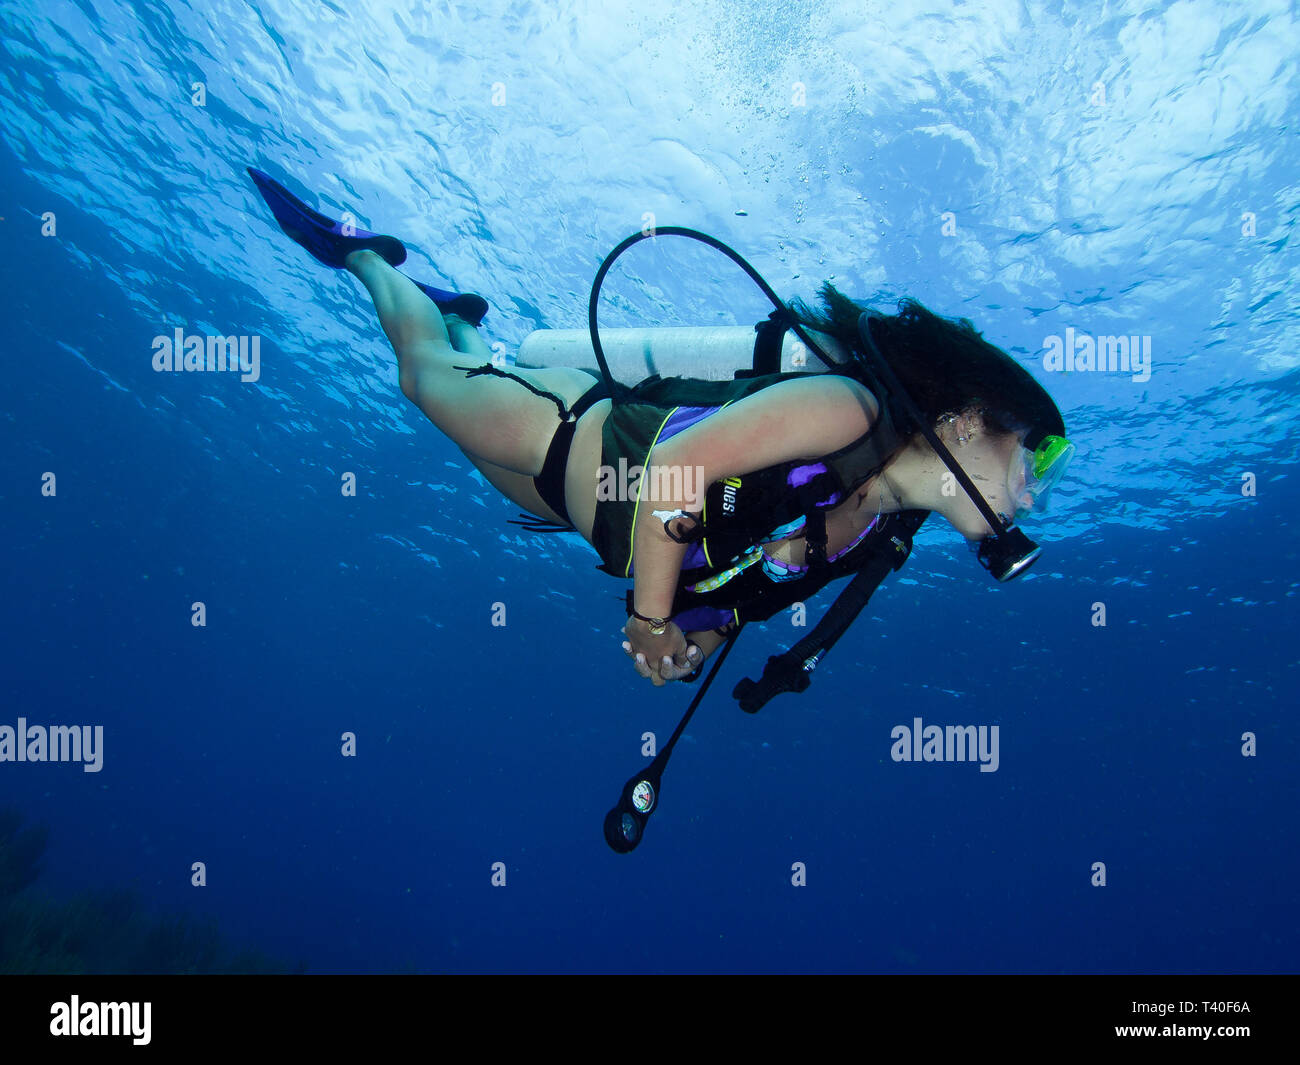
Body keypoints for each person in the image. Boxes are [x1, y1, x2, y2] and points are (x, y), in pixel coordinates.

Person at [249, 169, 1073, 690]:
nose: (1035, 492)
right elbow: (678, 467)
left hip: (585, 515)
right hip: (570, 438)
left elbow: (747, 591)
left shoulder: (884, 535)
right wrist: (646, 621)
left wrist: (690, 640)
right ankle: (363, 254)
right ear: (966, 424)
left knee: (452, 399)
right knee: (420, 379)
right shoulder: (849, 411)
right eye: (1035, 456)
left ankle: (460, 319)